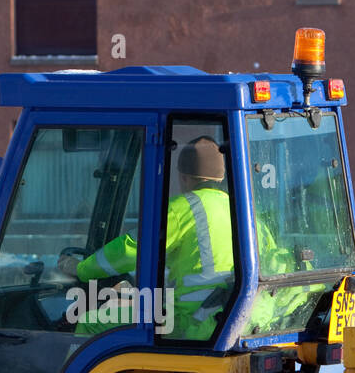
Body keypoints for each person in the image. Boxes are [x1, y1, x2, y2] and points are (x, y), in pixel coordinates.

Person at [59, 136, 237, 341]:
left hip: (188, 320)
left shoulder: (183, 208)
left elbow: (132, 248)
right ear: (221, 177)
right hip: (225, 319)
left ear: (184, 177)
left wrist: (81, 269)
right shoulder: (242, 212)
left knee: (91, 322)